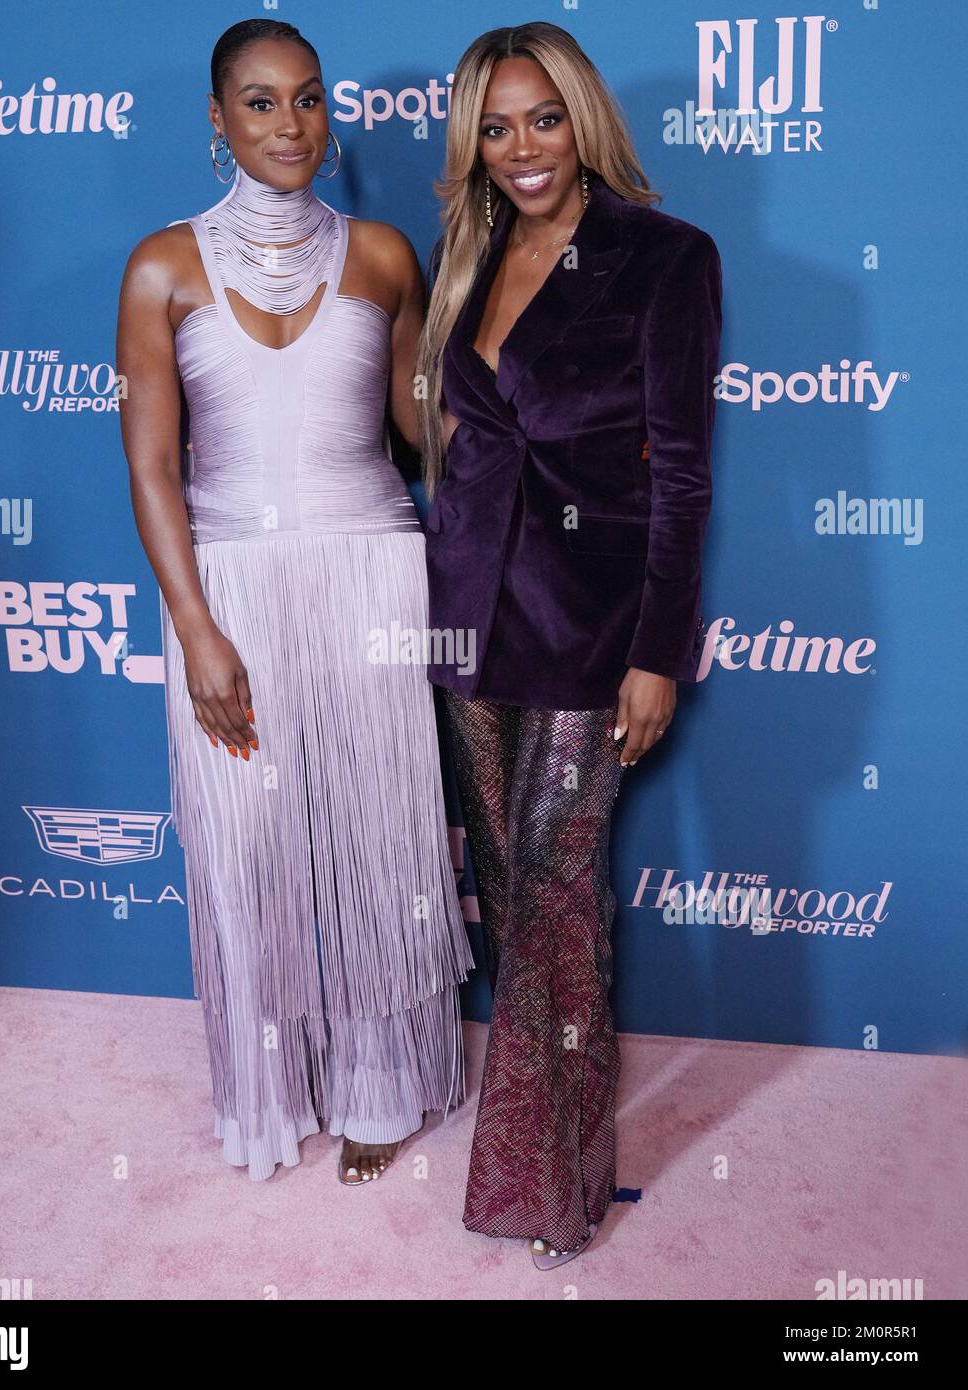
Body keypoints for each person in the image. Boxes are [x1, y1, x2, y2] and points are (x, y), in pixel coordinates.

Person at [116, 18, 474, 1186]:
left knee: (380, 836)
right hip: (228, 586)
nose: (290, 125)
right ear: (216, 121)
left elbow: (424, 432)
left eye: (310, 100)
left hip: (372, 565)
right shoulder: (160, 267)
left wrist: (514, 382)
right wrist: (196, 629)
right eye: (261, 103)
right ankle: (270, 1090)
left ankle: (381, 1082)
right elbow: (151, 468)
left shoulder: (381, 254)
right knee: (246, 843)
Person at [417, 22, 722, 1266]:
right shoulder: (469, 250)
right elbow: (457, 446)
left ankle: (549, 1186)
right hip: (463, 620)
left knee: (555, 900)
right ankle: (555, 1164)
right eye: (494, 126)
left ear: (582, 120)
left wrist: (655, 649)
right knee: (512, 897)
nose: (520, 147)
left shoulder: (663, 257)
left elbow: (685, 475)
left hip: (588, 626)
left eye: (541, 118)